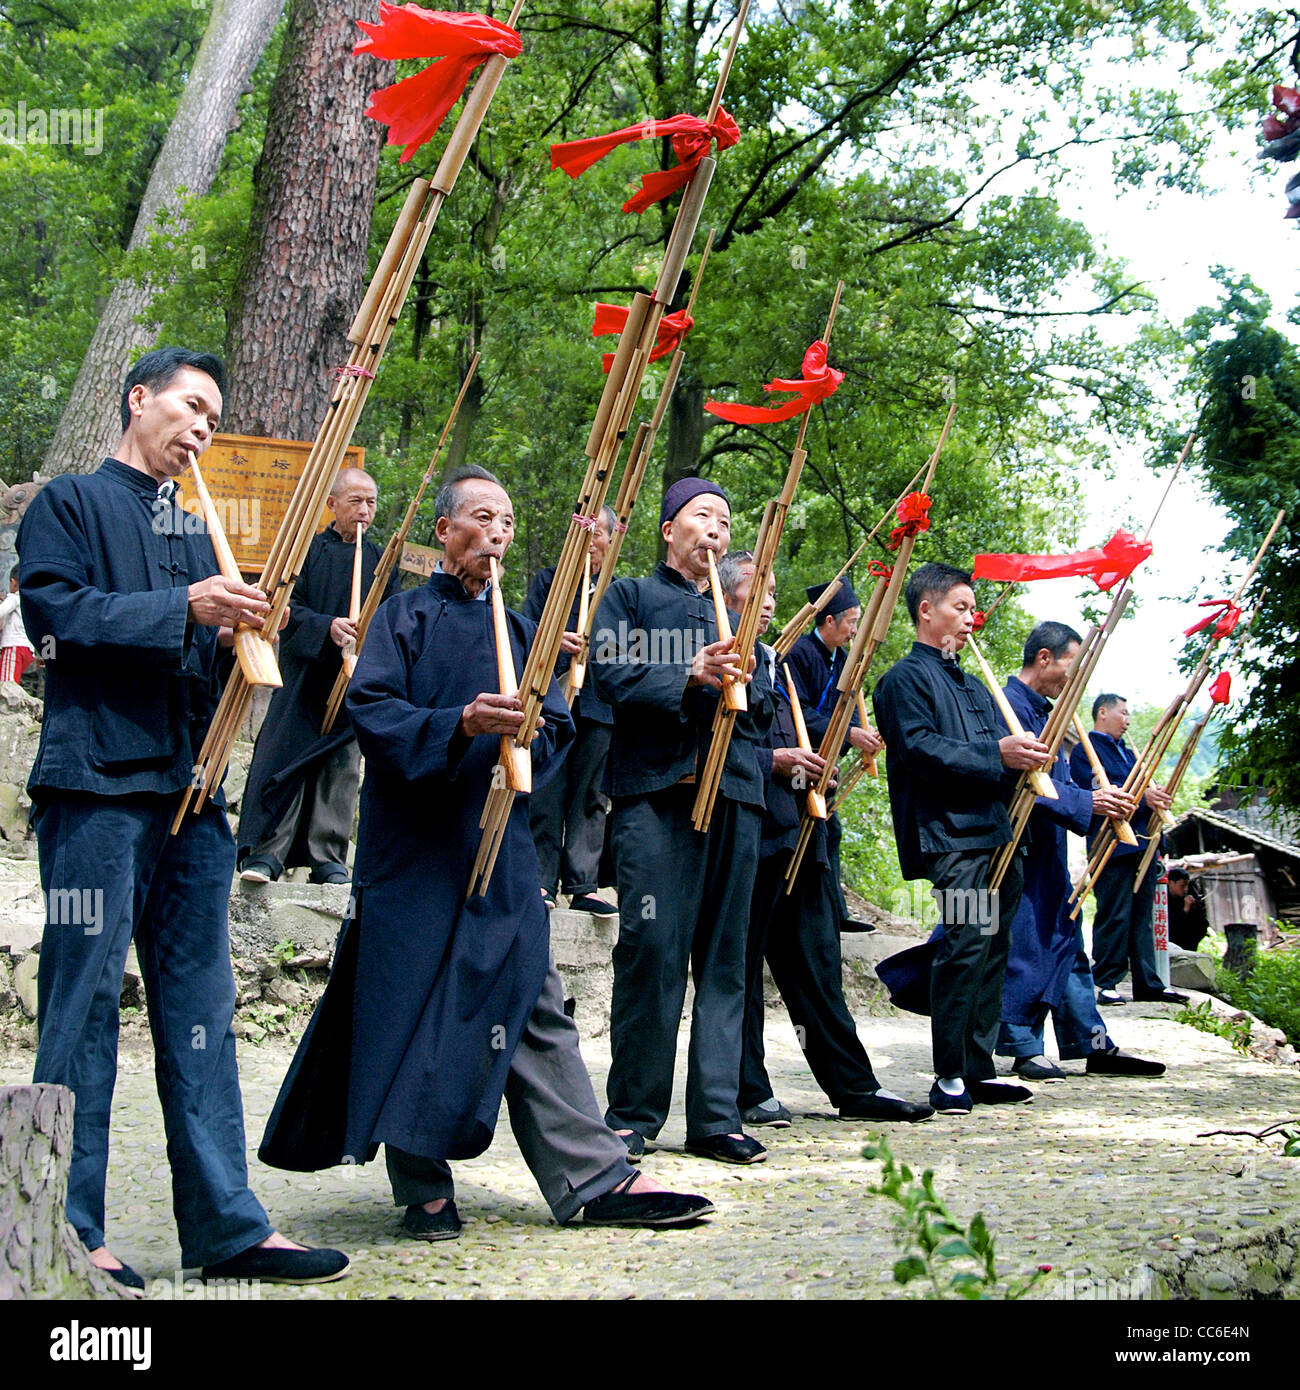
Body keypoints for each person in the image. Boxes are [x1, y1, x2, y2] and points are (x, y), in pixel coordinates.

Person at [259, 465, 713, 1235]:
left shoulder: (522, 634)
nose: (497, 533)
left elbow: (562, 723)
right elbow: (372, 712)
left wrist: (536, 734)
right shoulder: (400, 619)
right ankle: (422, 1184)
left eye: (506, 521)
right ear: (445, 531)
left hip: (499, 845)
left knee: (532, 1000)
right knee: (406, 1001)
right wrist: (460, 725)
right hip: (414, 849)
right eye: (481, 518)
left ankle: (594, 1175)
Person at [17, 346, 348, 1289]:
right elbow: (55, 618)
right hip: (93, 795)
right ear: (139, 400)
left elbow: (208, 658)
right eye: (191, 407)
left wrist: (249, 625)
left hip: (193, 798)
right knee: (80, 1000)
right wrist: (184, 606)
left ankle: (226, 1226)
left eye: (213, 418)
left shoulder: (204, 528)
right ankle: (63, 1227)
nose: (202, 429)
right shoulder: (68, 505)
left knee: (203, 1008)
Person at [591, 477, 774, 1164]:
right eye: (702, 517)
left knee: (726, 960)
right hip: (656, 795)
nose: (715, 532)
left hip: (736, 797)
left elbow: (759, 714)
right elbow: (608, 670)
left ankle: (717, 1116)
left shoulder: (739, 616)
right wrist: (687, 670)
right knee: (651, 948)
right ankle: (633, 1111)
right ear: (670, 530)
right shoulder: (631, 597)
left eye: (725, 523)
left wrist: (744, 672)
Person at [720, 552, 934, 1127]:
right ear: (727, 596)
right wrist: (778, 761)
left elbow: (798, 733)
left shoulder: (774, 663)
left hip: (801, 833)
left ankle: (854, 1087)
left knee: (818, 965)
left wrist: (814, 769)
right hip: (749, 836)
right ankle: (746, 1089)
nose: (769, 602)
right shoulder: (718, 659)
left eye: (771, 592)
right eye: (757, 590)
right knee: (738, 969)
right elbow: (720, 751)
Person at [873, 562, 1050, 1114]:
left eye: (973, 610)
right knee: (967, 942)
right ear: (926, 610)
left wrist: (1021, 760)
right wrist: (996, 755)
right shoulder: (901, 680)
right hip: (950, 836)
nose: (971, 619)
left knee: (996, 945)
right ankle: (947, 1073)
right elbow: (921, 751)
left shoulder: (974, 684)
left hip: (998, 832)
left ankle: (978, 1068)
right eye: (961, 607)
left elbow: (997, 756)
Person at [994, 622, 1165, 1081]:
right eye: (1072, 663)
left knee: (1069, 939)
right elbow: (1026, 782)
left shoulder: (1051, 714)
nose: (1075, 678)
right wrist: (1088, 802)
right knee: (1026, 946)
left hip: (1049, 847)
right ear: (1045, 658)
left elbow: (1063, 783)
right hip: (1016, 846)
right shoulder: (1006, 707)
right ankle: (1023, 1046)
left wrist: (1102, 804)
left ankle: (1091, 1041)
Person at [238, 467, 399, 885]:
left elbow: (391, 617)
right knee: (285, 757)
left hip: (351, 679)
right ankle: (268, 852)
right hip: (305, 674)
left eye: (371, 503)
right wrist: (326, 628)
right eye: (355, 502)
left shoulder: (382, 562)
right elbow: (286, 611)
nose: (364, 511)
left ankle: (328, 855)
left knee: (342, 765)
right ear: (332, 505)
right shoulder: (306, 552)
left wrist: (367, 647)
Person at [524, 505, 617, 915]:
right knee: (547, 787)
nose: (591, 541)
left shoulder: (618, 592)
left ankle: (583, 883)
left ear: (611, 541)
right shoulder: (548, 581)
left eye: (600, 534)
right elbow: (524, 632)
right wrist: (552, 641)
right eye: (585, 531)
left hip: (599, 703)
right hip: (553, 697)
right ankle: (541, 879)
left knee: (590, 793)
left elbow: (630, 652)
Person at [1069, 694, 1187, 1005]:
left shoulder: (1129, 752)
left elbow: (1142, 787)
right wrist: (1142, 796)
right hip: (1112, 843)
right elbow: (1102, 790)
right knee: (1115, 912)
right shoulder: (1086, 750)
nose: (1128, 720)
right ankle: (1105, 979)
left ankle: (1148, 982)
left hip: (1143, 844)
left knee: (1141, 915)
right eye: (1123, 713)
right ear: (1103, 713)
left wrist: (1156, 797)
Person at [784, 580, 884, 931]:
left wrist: (864, 736)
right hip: (796, 759)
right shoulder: (798, 654)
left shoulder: (844, 661)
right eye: (851, 622)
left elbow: (851, 715)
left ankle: (833, 913)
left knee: (830, 830)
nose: (854, 630)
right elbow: (797, 709)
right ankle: (803, 911)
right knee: (803, 831)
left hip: (828, 762)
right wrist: (845, 732)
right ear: (828, 621)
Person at [0, 560, 35, 683]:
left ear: (13, 582)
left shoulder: (15, 598)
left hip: (13, 646)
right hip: (27, 649)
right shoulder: (29, 601)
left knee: (6, 686)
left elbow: (1, 611)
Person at [1165, 866, 1210, 953]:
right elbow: (1171, 926)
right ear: (1171, 883)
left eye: (1186, 885)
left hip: (1189, 942)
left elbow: (1202, 923)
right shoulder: (1163, 900)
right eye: (1182, 886)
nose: (1185, 889)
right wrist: (1185, 909)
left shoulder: (1190, 894)